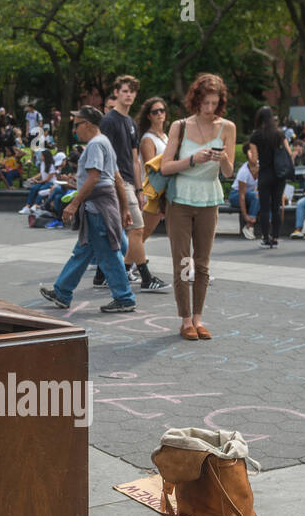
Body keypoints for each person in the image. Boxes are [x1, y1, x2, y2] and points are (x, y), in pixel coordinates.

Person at [38, 105, 137, 315]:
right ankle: (62, 292)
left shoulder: (95, 144)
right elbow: (117, 178)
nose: (75, 130)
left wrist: (73, 204)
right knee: (82, 251)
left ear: (88, 124)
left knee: (109, 254)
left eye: (77, 125)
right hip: (103, 206)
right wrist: (125, 208)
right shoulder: (105, 143)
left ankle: (124, 297)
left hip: (98, 208)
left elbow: (94, 177)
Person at [159, 73, 235, 340]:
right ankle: (185, 320)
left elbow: (228, 172)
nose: (209, 109)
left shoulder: (228, 127)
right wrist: (192, 159)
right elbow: (166, 166)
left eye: (214, 103)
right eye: (205, 103)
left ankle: (199, 319)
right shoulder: (180, 126)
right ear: (196, 100)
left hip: (209, 199)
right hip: (180, 199)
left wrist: (222, 156)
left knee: (202, 263)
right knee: (183, 261)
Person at [96, 74, 167, 293]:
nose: (128, 95)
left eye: (132, 91)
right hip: (115, 181)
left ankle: (102, 275)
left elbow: (135, 160)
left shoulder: (130, 123)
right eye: (124, 91)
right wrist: (115, 183)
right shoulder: (109, 121)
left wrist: (139, 189)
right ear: (116, 93)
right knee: (137, 229)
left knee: (114, 233)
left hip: (129, 182)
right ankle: (145, 276)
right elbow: (104, 154)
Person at [251, 105, 294, 248]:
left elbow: (254, 159)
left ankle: (265, 238)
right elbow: (288, 153)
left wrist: (253, 161)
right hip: (279, 175)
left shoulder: (256, 136)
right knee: (276, 207)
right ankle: (275, 238)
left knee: (264, 208)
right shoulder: (279, 134)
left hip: (264, 174)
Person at [136, 96, 170, 246]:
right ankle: (128, 261)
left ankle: (133, 259)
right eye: (155, 112)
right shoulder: (148, 139)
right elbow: (150, 168)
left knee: (146, 230)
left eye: (162, 110)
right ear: (149, 116)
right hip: (152, 190)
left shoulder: (165, 136)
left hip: (164, 187)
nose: (159, 114)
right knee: (144, 230)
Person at [230, 141, 260, 237]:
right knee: (256, 196)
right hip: (236, 195)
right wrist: (245, 216)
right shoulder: (243, 171)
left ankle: (266, 229)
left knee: (260, 196)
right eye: (250, 152)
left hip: (250, 195)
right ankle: (249, 225)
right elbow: (242, 196)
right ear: (247, 154)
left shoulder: (261, 166)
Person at [19, 149, 58, 213]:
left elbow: (48, 179)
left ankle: (35, 205)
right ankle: (27, 206)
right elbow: (41, 173)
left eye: (42, 155)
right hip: (44, 182)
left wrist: (38, 182)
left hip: (50, 183)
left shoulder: (51, 166)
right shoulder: (42, 163)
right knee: (33, 188)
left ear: (45, 156)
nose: (40, 157)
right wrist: (32, 178)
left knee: (41, 189)